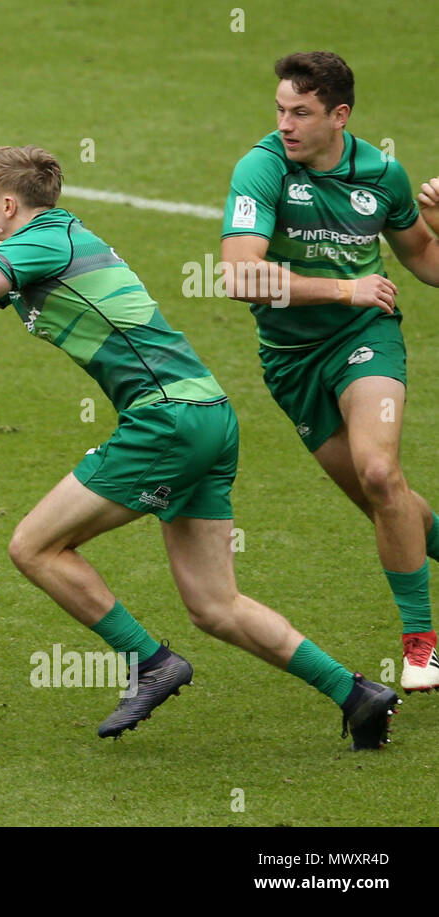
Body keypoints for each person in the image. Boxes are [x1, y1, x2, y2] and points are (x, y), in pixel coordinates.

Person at [0, 144, 399, 750]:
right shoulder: (43, 246)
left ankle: (149, 660)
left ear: (7, 203)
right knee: (217, 606)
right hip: (207, 415)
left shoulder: (42, 242)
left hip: (167, 420)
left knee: (35, 546)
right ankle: (358, 695)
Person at [219, 51, 439, 694]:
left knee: (380, 471)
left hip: (366, 340)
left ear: (339, 115)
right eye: (281, 110)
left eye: (301, 113)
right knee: (386, 504)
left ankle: (422, 643)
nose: (285, 125)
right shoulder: (260, 167)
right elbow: (239, 275)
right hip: (290, 363)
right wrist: (345, 290)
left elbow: (425, 259)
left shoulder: (382, 174)